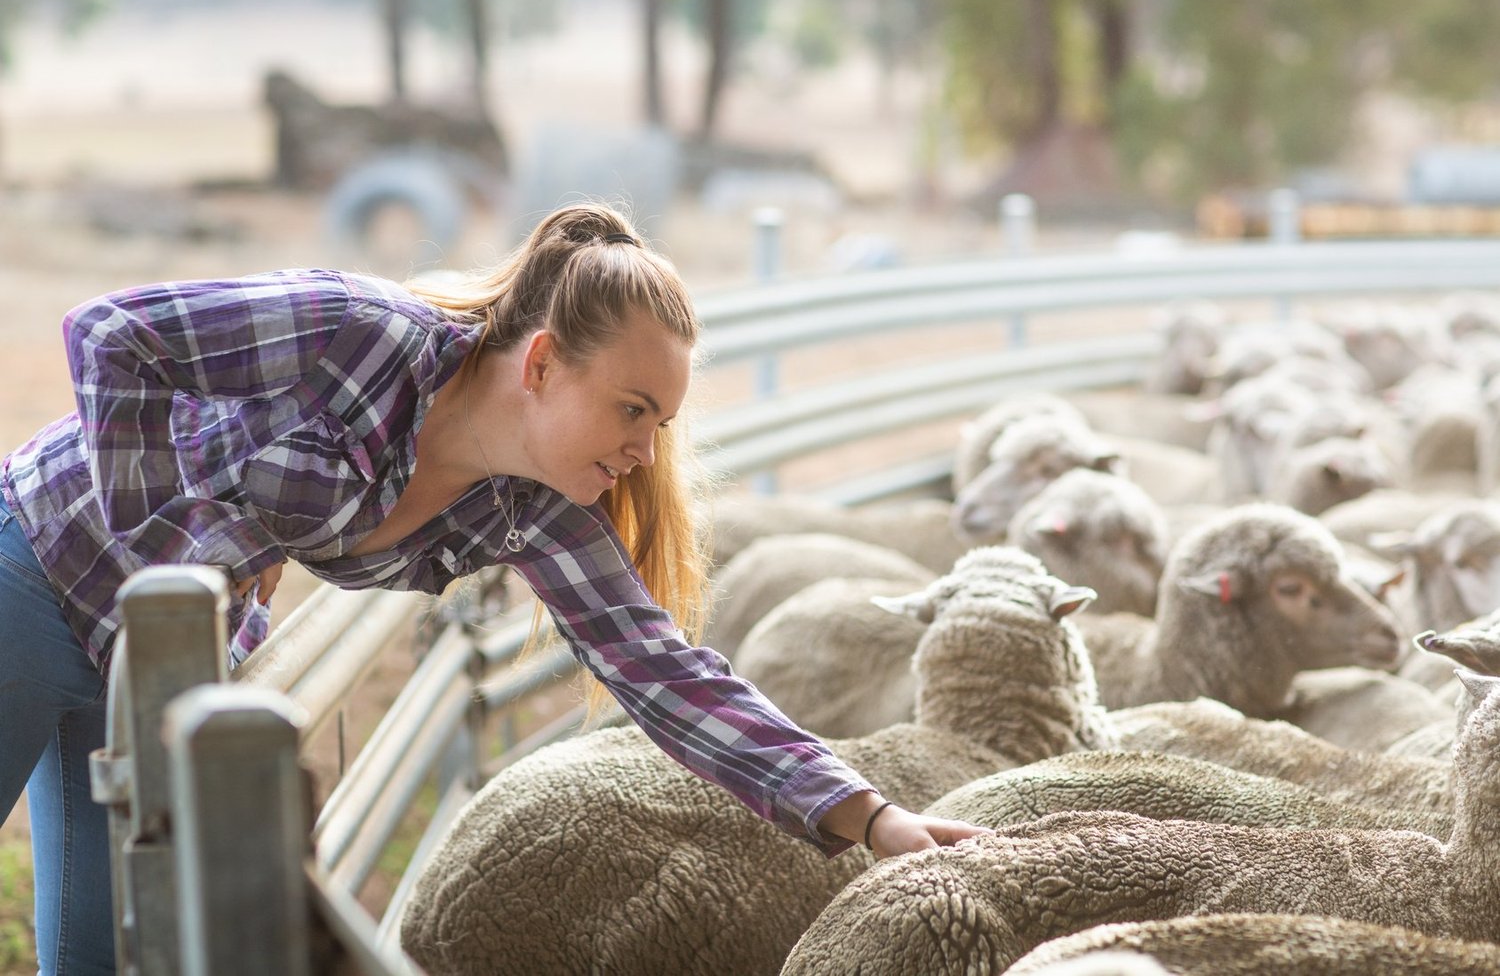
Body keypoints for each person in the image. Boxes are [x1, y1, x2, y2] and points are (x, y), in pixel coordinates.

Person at [0, 201, 989, 975]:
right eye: (633, 408)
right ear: (548, 362)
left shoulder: (529, 507)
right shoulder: (364, 338)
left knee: (100, 960)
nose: (646, 449)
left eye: (663, 422)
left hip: (147, 666)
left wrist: (870, 816)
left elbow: (665, 672)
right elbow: (109, 334)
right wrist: (195, 558)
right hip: (37, 576)